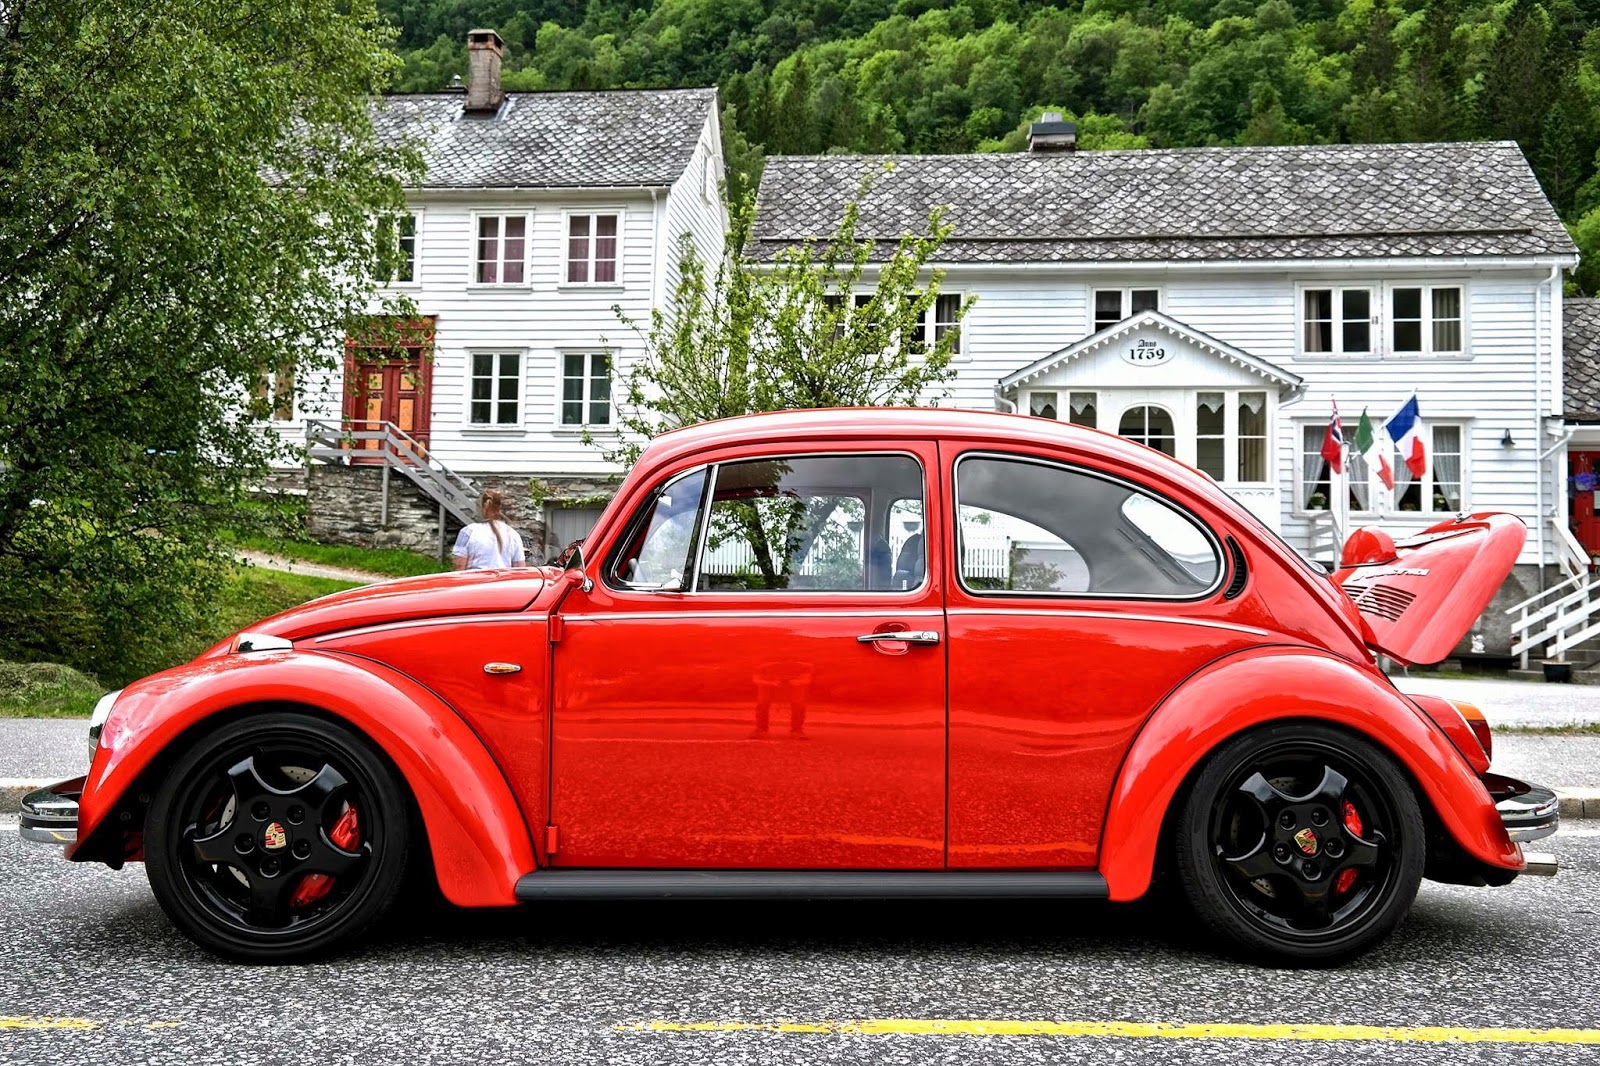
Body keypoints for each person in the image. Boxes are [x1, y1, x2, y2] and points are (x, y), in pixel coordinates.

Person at [452, 489, 527, 570]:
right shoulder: (513, 535)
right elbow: (520, 569)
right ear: (499, 509)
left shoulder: (468, 532)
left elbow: (459, 567)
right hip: (503, 581)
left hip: (476, 581)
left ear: (483, 507)